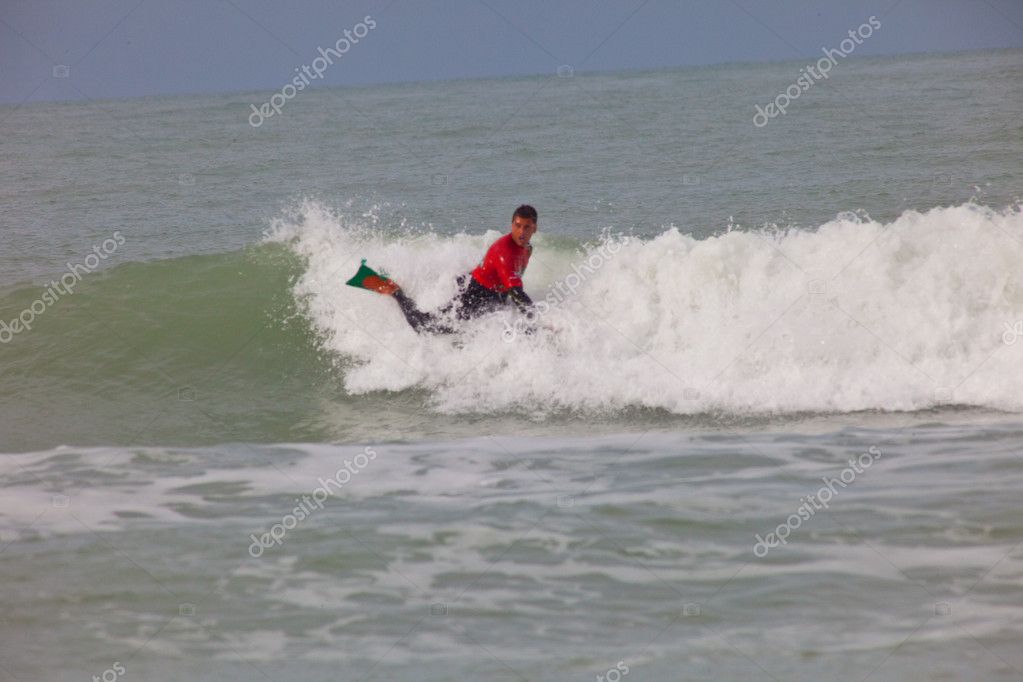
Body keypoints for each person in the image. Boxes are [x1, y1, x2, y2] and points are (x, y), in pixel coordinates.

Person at [360, 205, 538, 334]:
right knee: (423, 326)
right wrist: (536, 320)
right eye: (517, 225)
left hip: (492, 292)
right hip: (476, 293)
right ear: (511, 225)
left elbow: (513, 284)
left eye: (526, 227)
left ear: (534, 228)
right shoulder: (504, 252)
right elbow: (516, 291)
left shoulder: (527, 248)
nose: (521, 232)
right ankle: (395, 291)